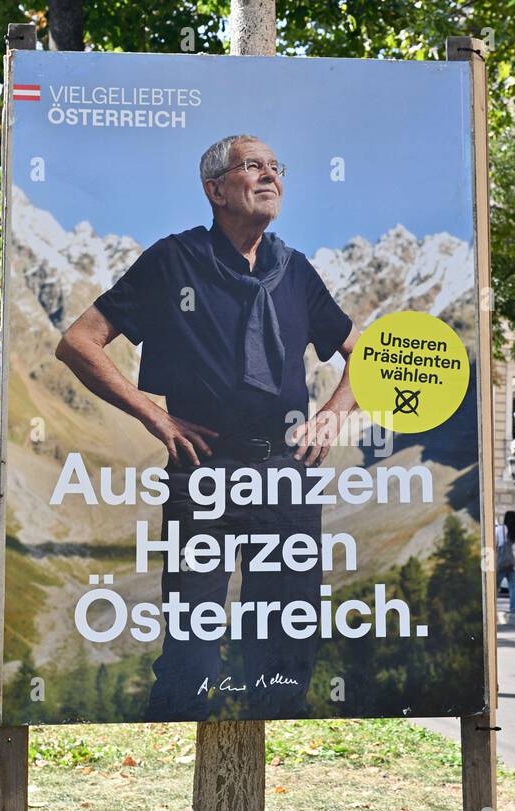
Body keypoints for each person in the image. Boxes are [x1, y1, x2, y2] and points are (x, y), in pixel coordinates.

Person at [55, 134, 360, 721]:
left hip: (286, 475)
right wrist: (155, 416)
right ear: (215, 189)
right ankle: (170, 767)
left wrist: (331, 416)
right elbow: (78, 342)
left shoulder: (296, 270)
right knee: (191, 649)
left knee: (285, 644)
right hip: (204, 470)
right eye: (253, 167)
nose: (270, 177)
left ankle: (270, 768)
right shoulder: (173, 260)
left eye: (277, 167)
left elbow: (368, 354)